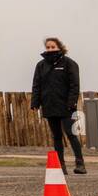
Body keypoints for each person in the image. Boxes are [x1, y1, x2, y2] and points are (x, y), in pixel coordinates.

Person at [32, 37, 84, 175]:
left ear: (59, 47)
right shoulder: (41, 65)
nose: (50, 49)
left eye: (53, 47)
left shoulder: (69, 64)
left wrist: (71, 103)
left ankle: (80, 164)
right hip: (49, 105)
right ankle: (61, 166)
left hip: (66, 106)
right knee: (56, 137)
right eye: (48, 47)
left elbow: (74, 85)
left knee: (71, 134)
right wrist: (35, 102)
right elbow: (36, 85)